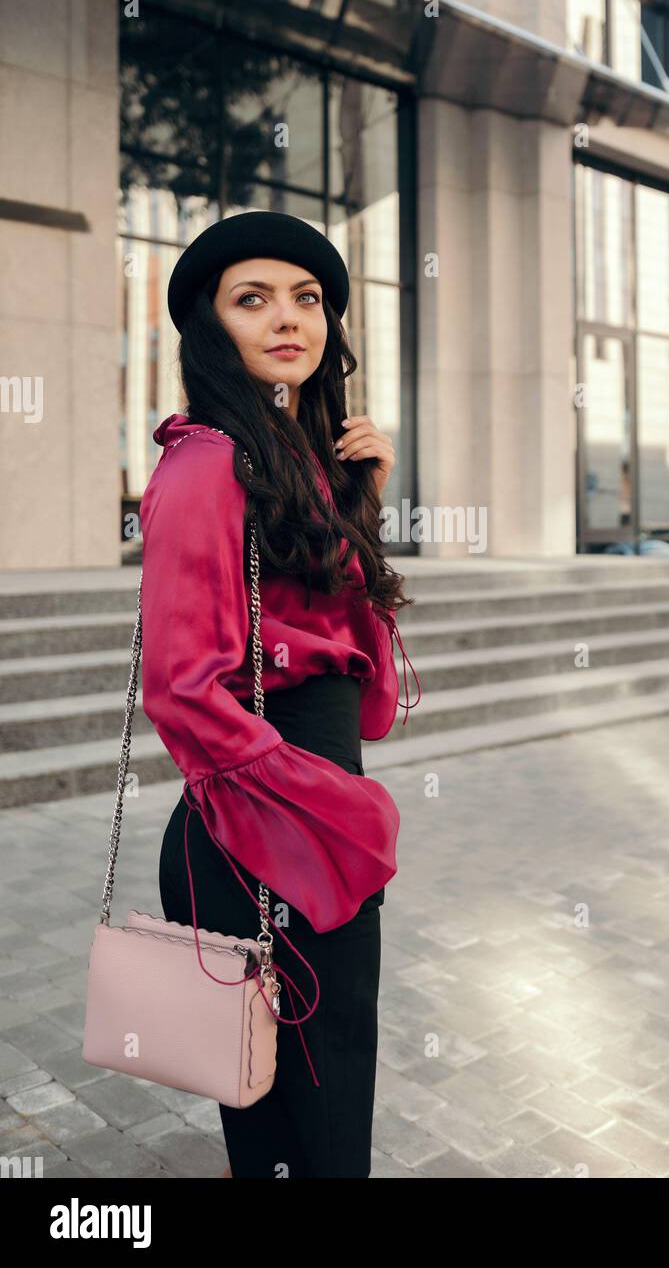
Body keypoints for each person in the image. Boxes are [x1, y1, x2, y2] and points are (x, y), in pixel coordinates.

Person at [138, 210, 421, 1179]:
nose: (287, 318)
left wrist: (361, 505)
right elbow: (178, 688)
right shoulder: (206, 460)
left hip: (310, 806)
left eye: (306, 297)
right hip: (258, 820)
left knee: (325, 1088)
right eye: (251, 299)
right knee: (290, 1109)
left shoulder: (298, 465)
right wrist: (330, 807)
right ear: (212, 328)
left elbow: (367, 690)